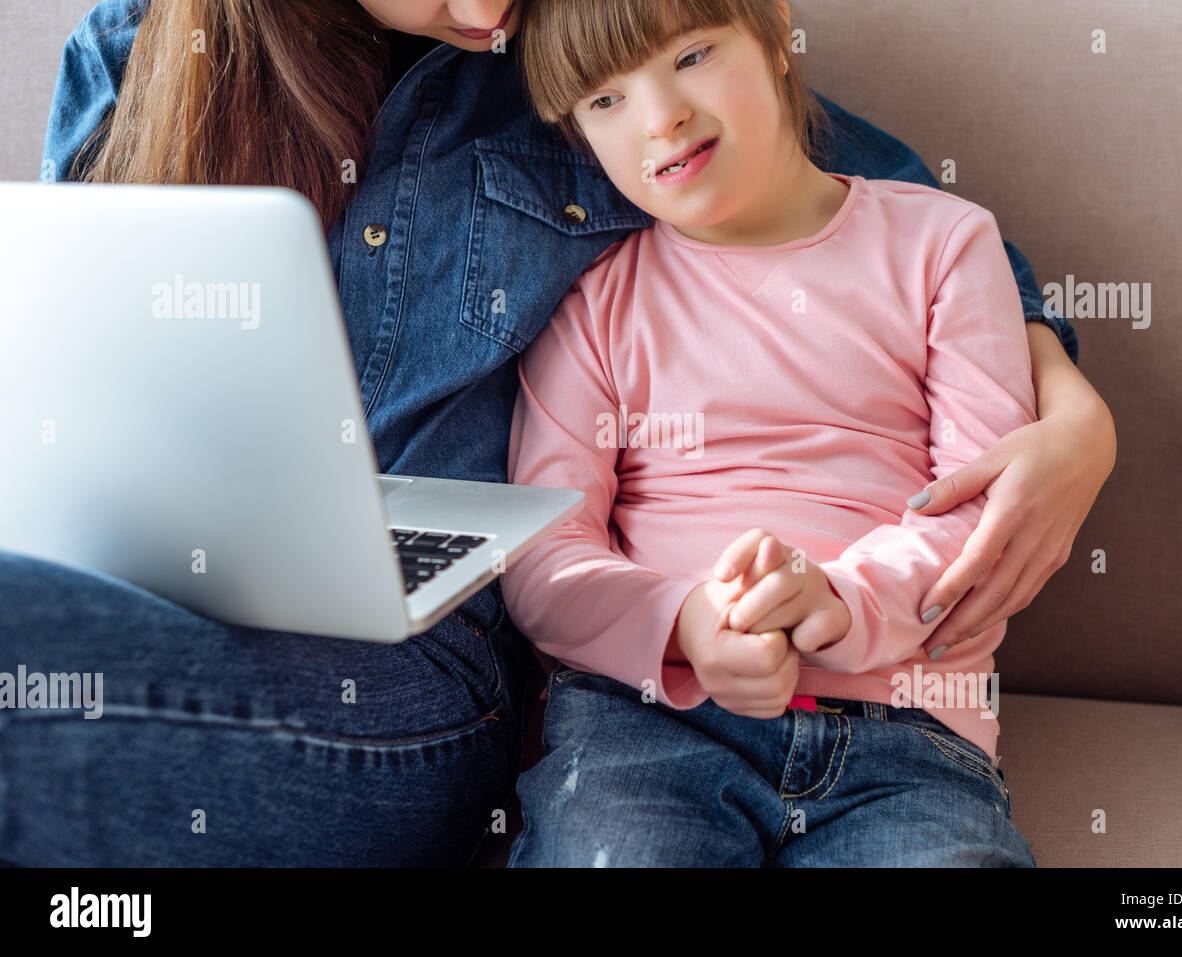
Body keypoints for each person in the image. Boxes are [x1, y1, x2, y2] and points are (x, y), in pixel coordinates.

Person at [0, 0, 1106, 866]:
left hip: (412, 662)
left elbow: (831, 189)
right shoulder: (135, 50)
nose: (490, 7)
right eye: (607, 101)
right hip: (151, 596)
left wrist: (1072, 409)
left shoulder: (567, 51)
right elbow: (68, 381)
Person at [500, 0, 1099, 866]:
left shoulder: (945, 244)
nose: (659, 115)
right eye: (604, 100)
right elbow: (543, 555)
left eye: (695, 53)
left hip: (906, 736)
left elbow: (983, 504)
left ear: (777, 31)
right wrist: (686, 625)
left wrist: (841, 601)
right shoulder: (592, 306)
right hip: (646, 726)